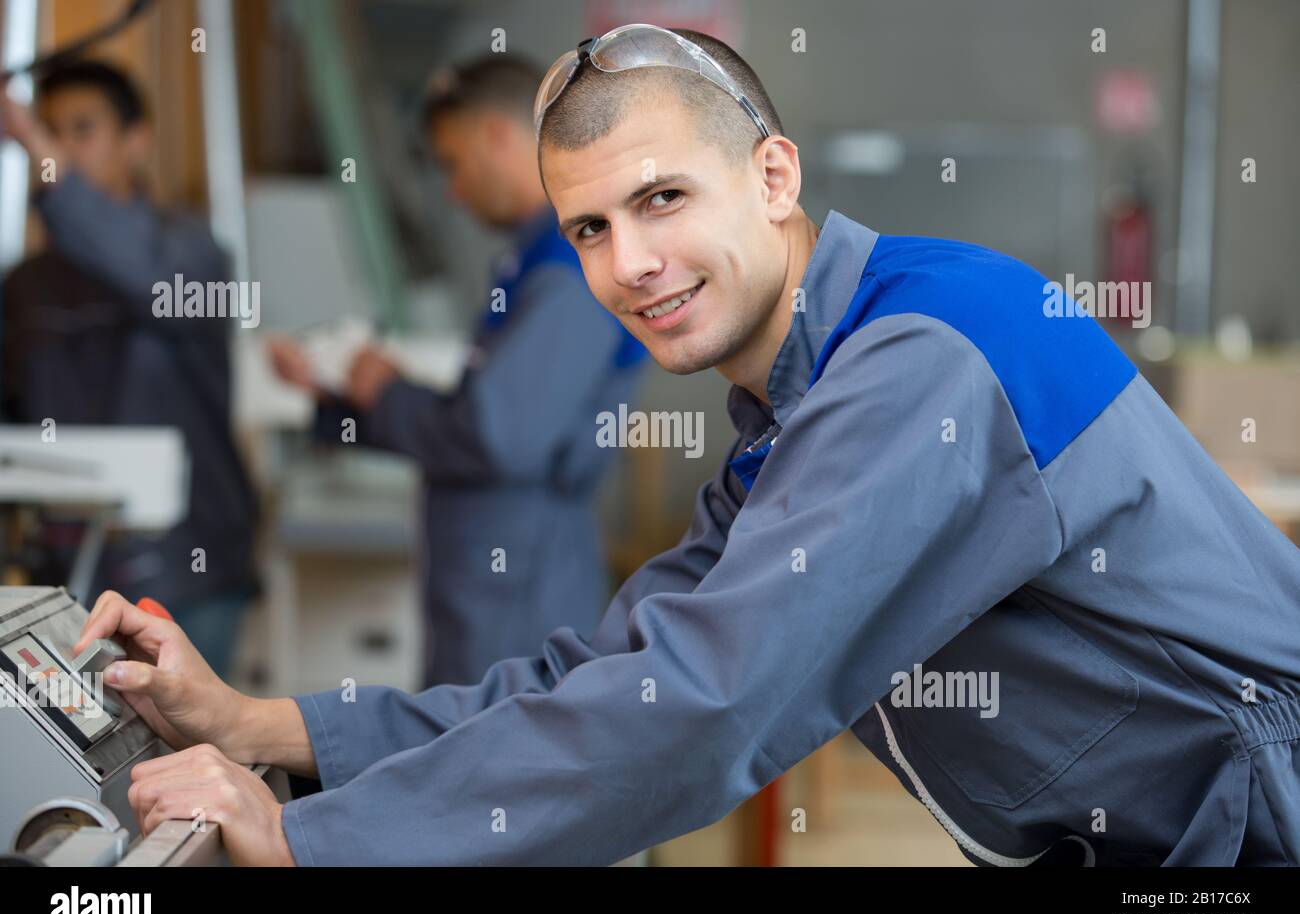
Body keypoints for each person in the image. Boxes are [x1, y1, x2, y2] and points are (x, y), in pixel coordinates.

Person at [78, 25, 1300, 866]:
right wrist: (262, 726)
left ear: (773, 173)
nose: (629, 265)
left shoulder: (924, 355)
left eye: (663, 199)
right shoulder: (794, 420)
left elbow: (706, 709)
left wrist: (304, 840)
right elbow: (602, 676)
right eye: (590, 228)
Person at [267, 54, 646, 687]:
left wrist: (388, 389)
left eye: (452, 162)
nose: (451, 187)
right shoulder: (533, 261)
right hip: (494, 580)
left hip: (519, 587)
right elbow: (475, 420)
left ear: (498, 137)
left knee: (503, 767)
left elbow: (498, 436)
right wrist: (339, 400)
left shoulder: (571, 266)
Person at [2, 60, 258, 679]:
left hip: (186, 573)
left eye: (80, 129)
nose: (59, 149)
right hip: (63, 580)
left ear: (136, 139)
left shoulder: (197, 258)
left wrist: (37, 150)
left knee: (186, 762)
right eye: (49, 132)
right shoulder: (24, 287)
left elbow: (145, 277)